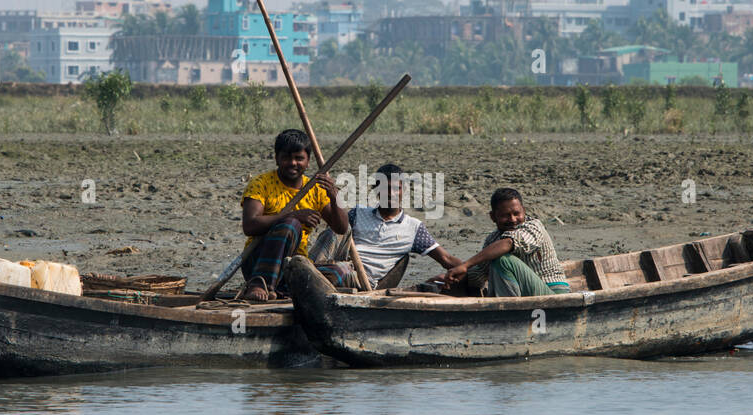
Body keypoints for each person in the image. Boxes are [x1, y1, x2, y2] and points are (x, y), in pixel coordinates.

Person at [309, 163, 462, 288]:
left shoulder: (413, 228)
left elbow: (446, 258)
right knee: (336, 230)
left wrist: (470, 269)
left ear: (404, 190)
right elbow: (335, 237)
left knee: (338, 271)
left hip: (361, 280)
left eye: (397, 188)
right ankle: (309, 268)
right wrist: (334, 196)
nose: (391, 194)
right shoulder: (358, 213)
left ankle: (309, 272)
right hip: (338, 264)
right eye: (385, 188)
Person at [239, 129, 348, 301]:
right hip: (258, 263)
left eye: (299, 158)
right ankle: (262, 285)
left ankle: (282, 290)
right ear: (277, 158)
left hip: (294, 264)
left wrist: (334, 198)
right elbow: (250, 225)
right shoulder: (261, 184)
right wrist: (293, 216)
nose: (293, 163)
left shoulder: (315, 188)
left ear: (308, 161)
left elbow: (341, 228)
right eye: (286, 158)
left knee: (339, 272)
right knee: (291, 224)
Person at [431, 187, 570, 297]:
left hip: (553, 293)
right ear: (493, 217)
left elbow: (509, 243)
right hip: (524, 294)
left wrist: (465, 265)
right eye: (505, 215)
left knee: (503, 260)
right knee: (492, 264)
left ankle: (507, 309)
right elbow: (478, 274)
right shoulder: (492, 240)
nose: (513, 219)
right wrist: (449, 278)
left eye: (517, 213)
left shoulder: (534, 226)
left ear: (524, 211)